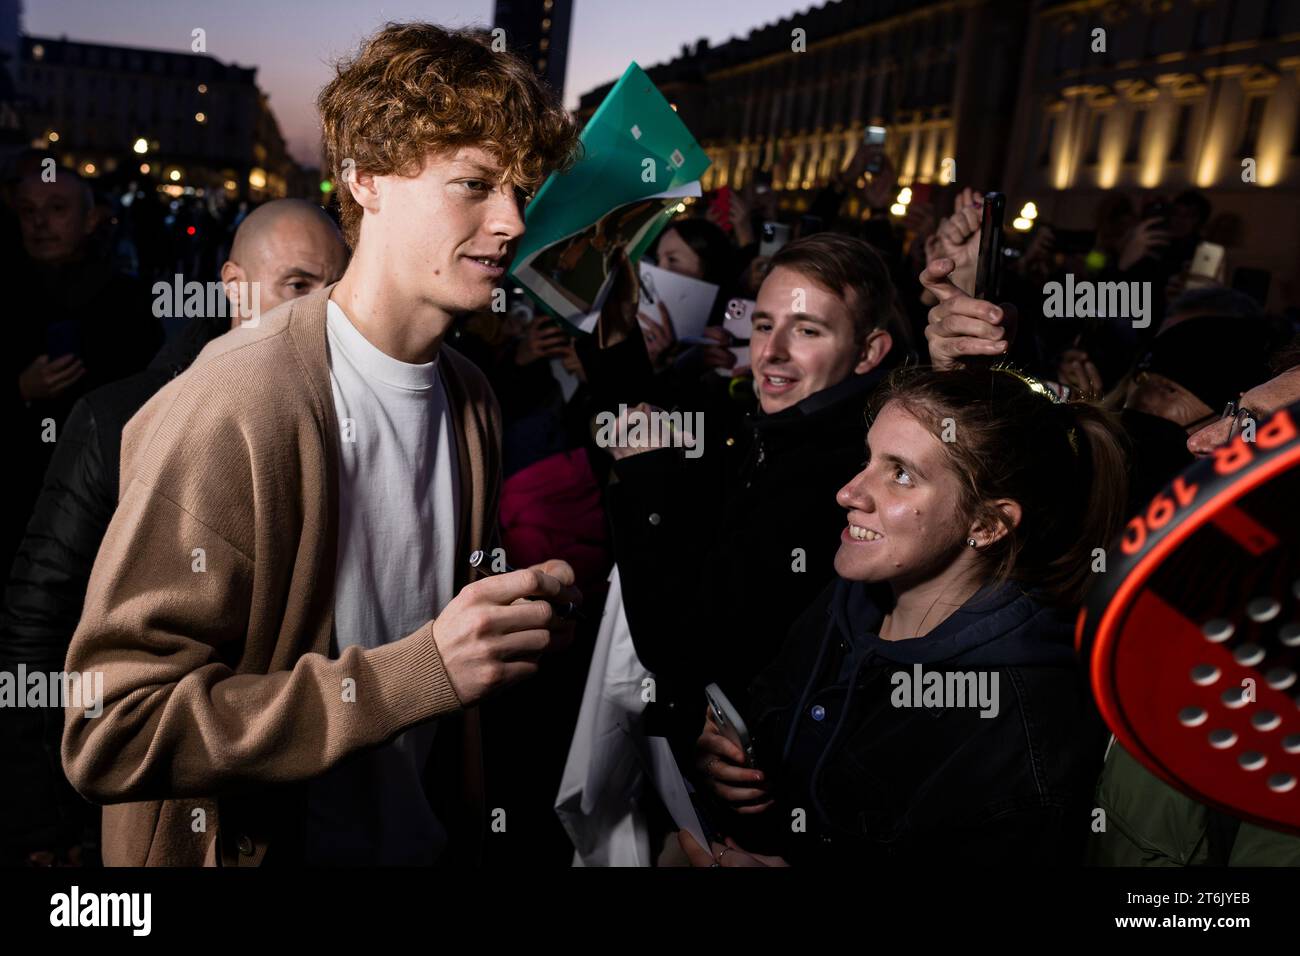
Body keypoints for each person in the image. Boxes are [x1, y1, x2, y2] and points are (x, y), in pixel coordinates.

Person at [60, 22, 581, 867]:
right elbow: (110, 729)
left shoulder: (471, 396)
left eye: (523, 189)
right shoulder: (237, 400)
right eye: (476, 184)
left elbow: (437, 647)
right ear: (364, 178)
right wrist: (416, 674)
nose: (513, 220)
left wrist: (512, 632)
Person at [0, 199, 348, 867]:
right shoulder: (119, 418)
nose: (317, 315)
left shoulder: (337, 424)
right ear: (233, 286)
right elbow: (36, 622)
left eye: (334, 291)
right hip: (129, 806)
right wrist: (44, 823)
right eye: (297, 287)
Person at [683, 365, 1128, 866]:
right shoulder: (849, 600)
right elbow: (773, 715)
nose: (848, 493)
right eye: (868, 459)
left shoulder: (1015, 733)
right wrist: (727, 762)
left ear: (987, 523)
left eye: (900, 475)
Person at [6, 170, 162, 574]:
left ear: (91, 219)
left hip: (95, 509)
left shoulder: (128, 302)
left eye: (57, 209)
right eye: (28, 211)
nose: (40, 223)